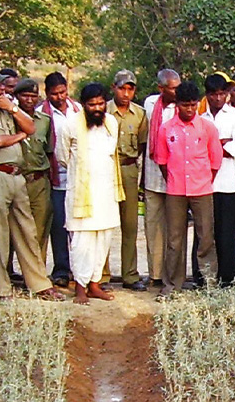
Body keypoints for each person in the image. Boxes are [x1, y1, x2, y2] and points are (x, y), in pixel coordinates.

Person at [0, 68, 58, 300]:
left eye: (2, 86)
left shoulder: (7, 108)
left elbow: (31, 127)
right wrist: (20, 137)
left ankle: (39, 283)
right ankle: (2, 287)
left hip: (17, 176)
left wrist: (12, 108)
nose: (1, 90)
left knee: (27, 230)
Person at [152, 80, 222, 293]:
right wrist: (175, 180)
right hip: (175, 191)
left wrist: (203, 181)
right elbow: (162, 162)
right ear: (177, 105)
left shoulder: (207, 127)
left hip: (202, 189)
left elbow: (215, 161)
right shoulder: (166, 129)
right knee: (174, 240)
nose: (189, 109)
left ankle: (209, 283)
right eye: (185, 105)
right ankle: (172, 285)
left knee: (206, 238)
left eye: (193, 105)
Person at [65, 83, 125, 302]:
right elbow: (63, 157)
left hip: (106, 193)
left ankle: (95, 285)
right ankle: (80, 288)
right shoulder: (71, 125)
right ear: (83, 105)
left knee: (103, 240)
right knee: (82, 243)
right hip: (81, 194)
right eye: (92, 105)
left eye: (101, 103)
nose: (97, 108)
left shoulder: (110, 123)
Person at [197, 75, 235, 285]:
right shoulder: (199, 117)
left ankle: (227, 276)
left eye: (222, 94)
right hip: (202, 184)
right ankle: (203, 276)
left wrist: (213, 146)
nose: (218, 98)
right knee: (204, 233)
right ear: (207, 95)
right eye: (213, 94)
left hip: (227, 183)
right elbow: (197, 149)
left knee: (226, 233)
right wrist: (221, 143)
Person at [141, 69, 180, 289]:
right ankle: (154, 274)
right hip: (153, 175)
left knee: (175, 229)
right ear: (161, 88)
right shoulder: (150, 104)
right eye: (172, 88)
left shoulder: (184, 105)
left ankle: (172, 275)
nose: (176, 91)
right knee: (153, 226)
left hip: (176, 176)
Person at [110, 72, 147, 289]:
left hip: (129, 169)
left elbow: (141, 145)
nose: (126, 93)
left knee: (130, 225)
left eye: (130, 89)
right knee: (103, 225)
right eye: (122, 88)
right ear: (114, 87)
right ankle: (101, 276)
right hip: (106, 171)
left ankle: (130, 275)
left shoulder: (140, 114)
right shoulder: (102, 111)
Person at [14, 80, 56, 269]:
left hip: (39, 180)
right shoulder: (9, 119)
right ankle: (9, 271)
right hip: (16, 179)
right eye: (24, 96)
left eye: (33, 96)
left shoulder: (44, 120)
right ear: (17, 97)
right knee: (13, 229)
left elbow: (48, 150)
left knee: (39, 229)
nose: (29, 100)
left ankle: (37, 273)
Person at [41, 72, 76, 286]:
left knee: (78, 228)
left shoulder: (78, 110)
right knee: (58, 227)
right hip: (54, 179)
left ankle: (81, 272)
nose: (59, 97)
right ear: (47, 94)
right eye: (54, 94)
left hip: (77, 178)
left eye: (62, 92)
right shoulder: (41, 114)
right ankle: (61, 270)